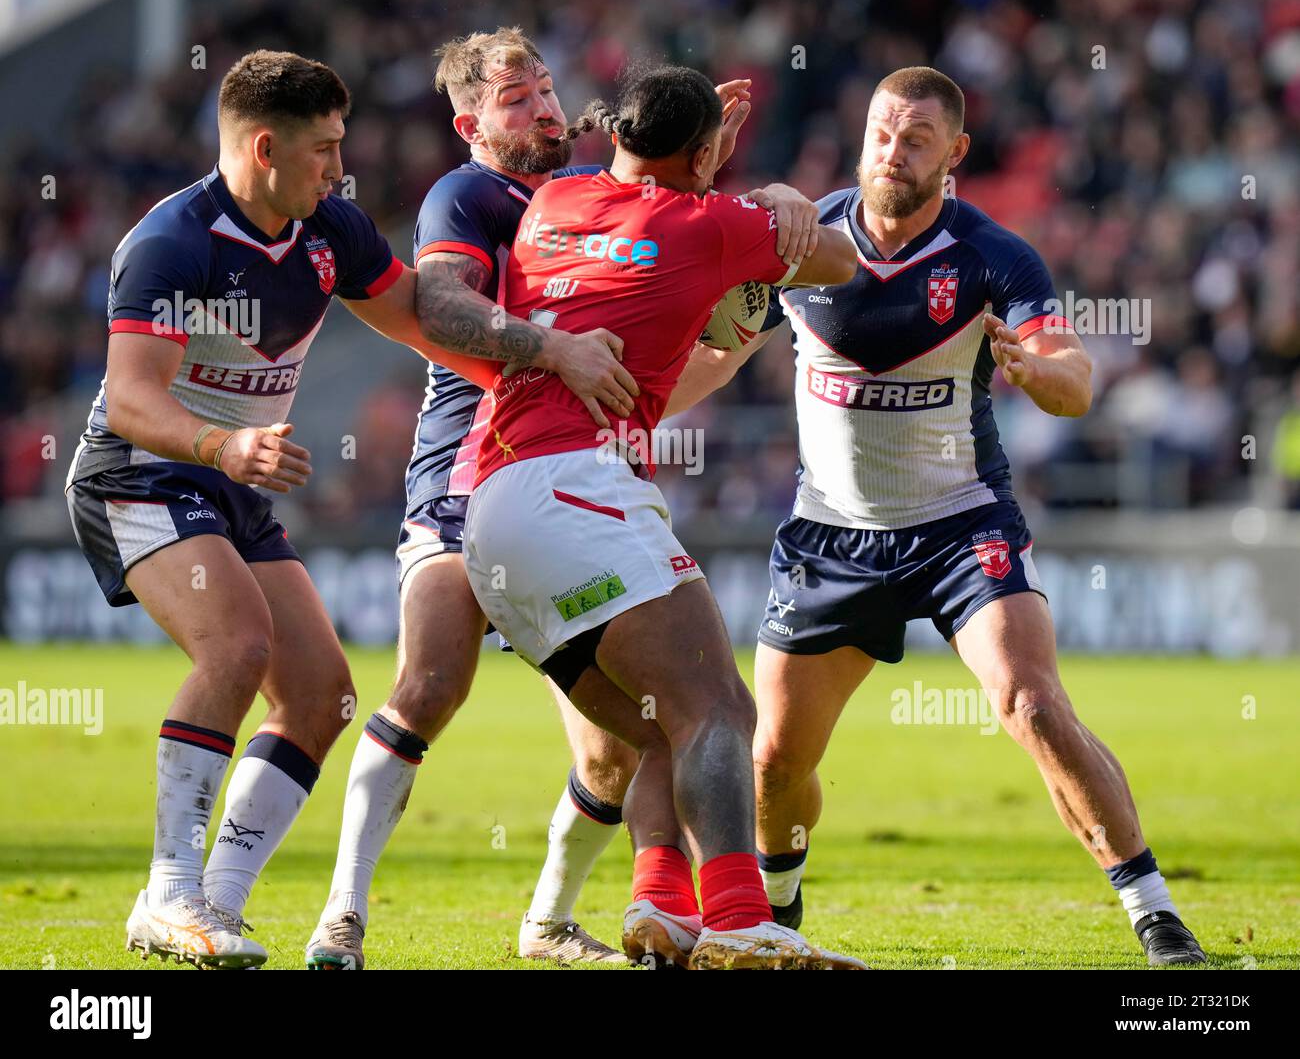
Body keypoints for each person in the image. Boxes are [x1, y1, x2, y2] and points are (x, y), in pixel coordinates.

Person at [65, 48, 631, 969]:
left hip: (234, 485)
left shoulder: (332, 229)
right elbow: (130, 397)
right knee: (237, 644)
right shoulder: (175, 241)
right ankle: (165, 893)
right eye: (325, 149)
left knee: (323, 697)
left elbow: (430, 323)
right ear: (262, 148)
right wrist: (223, 444)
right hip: (143, 474)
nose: (340, 167)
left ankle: (215, 906)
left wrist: (551, 358)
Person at [666, 66, 1207, 967]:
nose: (892, 150)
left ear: (954, 154)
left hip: (962, 522)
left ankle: (1155, 913)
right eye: (882, 130)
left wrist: (1040, 375)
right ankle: (783, 902)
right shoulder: (799, 236)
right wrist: (628, 412)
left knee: (1031, 703)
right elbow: (718, 358)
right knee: (771, 763)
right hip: (830, 532)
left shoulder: (994, 255)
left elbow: (1075, 375)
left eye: (916, 138)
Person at [434, 63, 867, 969]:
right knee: (719, 710)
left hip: (485, 503)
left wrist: (707, 164)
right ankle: (745, 917)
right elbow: (839, 259)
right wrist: (778, 196)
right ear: (705, 153)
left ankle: (662, 906)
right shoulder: (710, 223)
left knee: (658, 726)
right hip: (577, 485)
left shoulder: (552, 198)